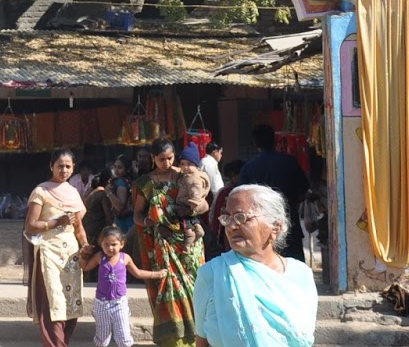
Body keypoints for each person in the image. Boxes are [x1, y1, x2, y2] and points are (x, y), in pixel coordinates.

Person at [193, 184, 318, 347]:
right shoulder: (212, 274)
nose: (231, 227)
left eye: (241, 217)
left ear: (275, 227)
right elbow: (201, 341)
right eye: (227, 218)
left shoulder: (301, 275)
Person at [133, 139, 207, 347]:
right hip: (163, 244)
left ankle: (198, 337)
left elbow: (205, 202)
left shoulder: (186, 175)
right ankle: (175, 339)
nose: (166, 163)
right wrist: (151, 222)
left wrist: (193, 208)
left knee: (194, 286)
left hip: (189, 243)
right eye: (161, 159)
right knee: (170, 288)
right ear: (153, 158)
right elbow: (137, 216)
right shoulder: (145, 184)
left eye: (170, 158)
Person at [26, 148, 90, 347]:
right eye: (60, 165)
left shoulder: (73, 192)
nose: (64, 170)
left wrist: (85, 245)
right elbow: (30, 225)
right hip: (48, 251)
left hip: (70, 252)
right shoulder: (41, 191)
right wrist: (56, 222)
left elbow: (78, 226)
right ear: (51, 166)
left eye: (68, 166)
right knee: (53, 301)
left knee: (71, 301)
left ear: (73, 168)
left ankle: (63, 342)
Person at [81, 226, 166, 347]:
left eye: (114, 244)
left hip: (119, 303)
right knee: (102, 338)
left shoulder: (125, 258)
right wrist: (84, 255)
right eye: (106, 244)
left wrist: (156, 274)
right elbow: (85, 267)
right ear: (101, 244)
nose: (110, 248)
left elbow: (137, 273)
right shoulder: (100, 257)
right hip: (101, 304)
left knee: (123, 336)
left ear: (121, 244)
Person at [237, 125, 309, 261]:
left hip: (259, 222)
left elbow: (241, 197)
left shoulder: (249, 167)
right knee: (293, 264)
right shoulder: (289, 162)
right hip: (288, 219)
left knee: (263, 264)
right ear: (275, 140)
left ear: (255, 143)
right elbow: (303, 188)